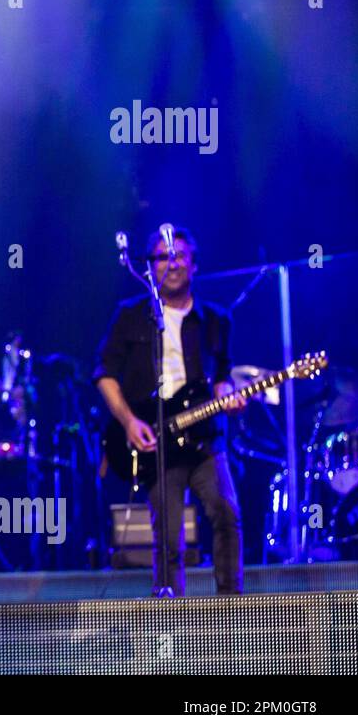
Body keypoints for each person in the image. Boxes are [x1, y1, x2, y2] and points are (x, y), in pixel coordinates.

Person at [94, 227, 245, 595]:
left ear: (194, 263)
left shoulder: (217, 319)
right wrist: (129, 422)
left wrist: (230, 396)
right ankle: (169, 620)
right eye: (163, 256)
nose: (172, 263)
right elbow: (104, 373)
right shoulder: (131, 315)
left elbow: (221, 375)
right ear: (150, 266)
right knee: (169, 535)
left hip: (206, 437)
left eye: (179, 255)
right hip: (158, 438)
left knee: (227, 514)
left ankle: (233, 611)